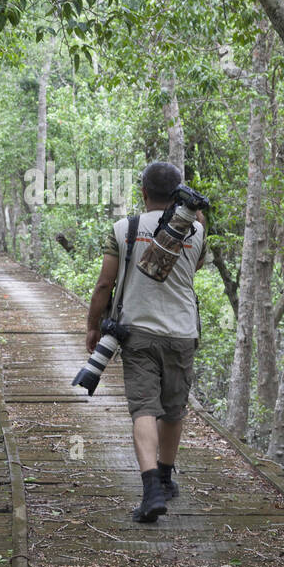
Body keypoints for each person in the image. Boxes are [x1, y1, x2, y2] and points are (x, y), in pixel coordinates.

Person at [85, 161, 207, 522]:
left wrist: (93, 326)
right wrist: (195, 218)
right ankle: (167, 478)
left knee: (144, 409)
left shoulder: (125, 228)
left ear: (143, 193)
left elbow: (104, 284)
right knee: (173, 409)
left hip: (137, 331)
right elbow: (194, 267)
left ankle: (151, 489)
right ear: (178, 194)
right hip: (182, 332)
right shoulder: (197, 231)